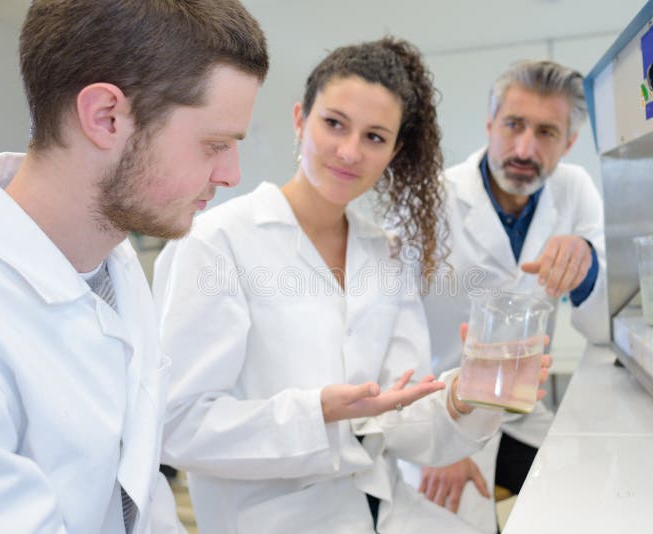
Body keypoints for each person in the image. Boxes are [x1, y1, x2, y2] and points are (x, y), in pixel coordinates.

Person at [153, 37, 552, 534]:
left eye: (374, 137)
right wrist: (316, 414)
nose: (349, 151)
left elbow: (398, 417)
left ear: (394, 151)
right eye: (334, 123)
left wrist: (460, 399)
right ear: (301, 119)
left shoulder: (383, 252)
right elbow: (176, 424)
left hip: (380, 509)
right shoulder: (218, 242)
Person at [0, 1, 268, 532]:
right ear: (106, 117)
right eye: (215, 144)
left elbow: (137, 489)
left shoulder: (111, 262)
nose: (233, 174)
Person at [416, 60, 608, 532]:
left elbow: (604, 323)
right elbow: (391, 329)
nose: (525, 149)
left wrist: (586, 264)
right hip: (440, 407)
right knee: (456, 520)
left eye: (546, 132)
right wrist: (434, 438)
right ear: (490, 124)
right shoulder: (432, 200)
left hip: (521, 412)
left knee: (594, 499)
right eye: (513, 125)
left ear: (569, 142)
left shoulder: (575, 189)